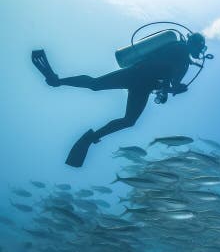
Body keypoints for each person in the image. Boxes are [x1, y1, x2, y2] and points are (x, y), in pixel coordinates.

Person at [31, 32, 207, 167]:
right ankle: (91, 136)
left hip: (138, 79)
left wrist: (171, 90)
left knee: (97, 87)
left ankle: (58, 82)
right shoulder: (181, 51)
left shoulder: (182, 58)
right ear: (194, 45)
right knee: (125, 116)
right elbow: (168, 74)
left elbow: (168, 81)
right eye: (200, 48)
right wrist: (174, 89)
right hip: (140, 79)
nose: (200, 52)